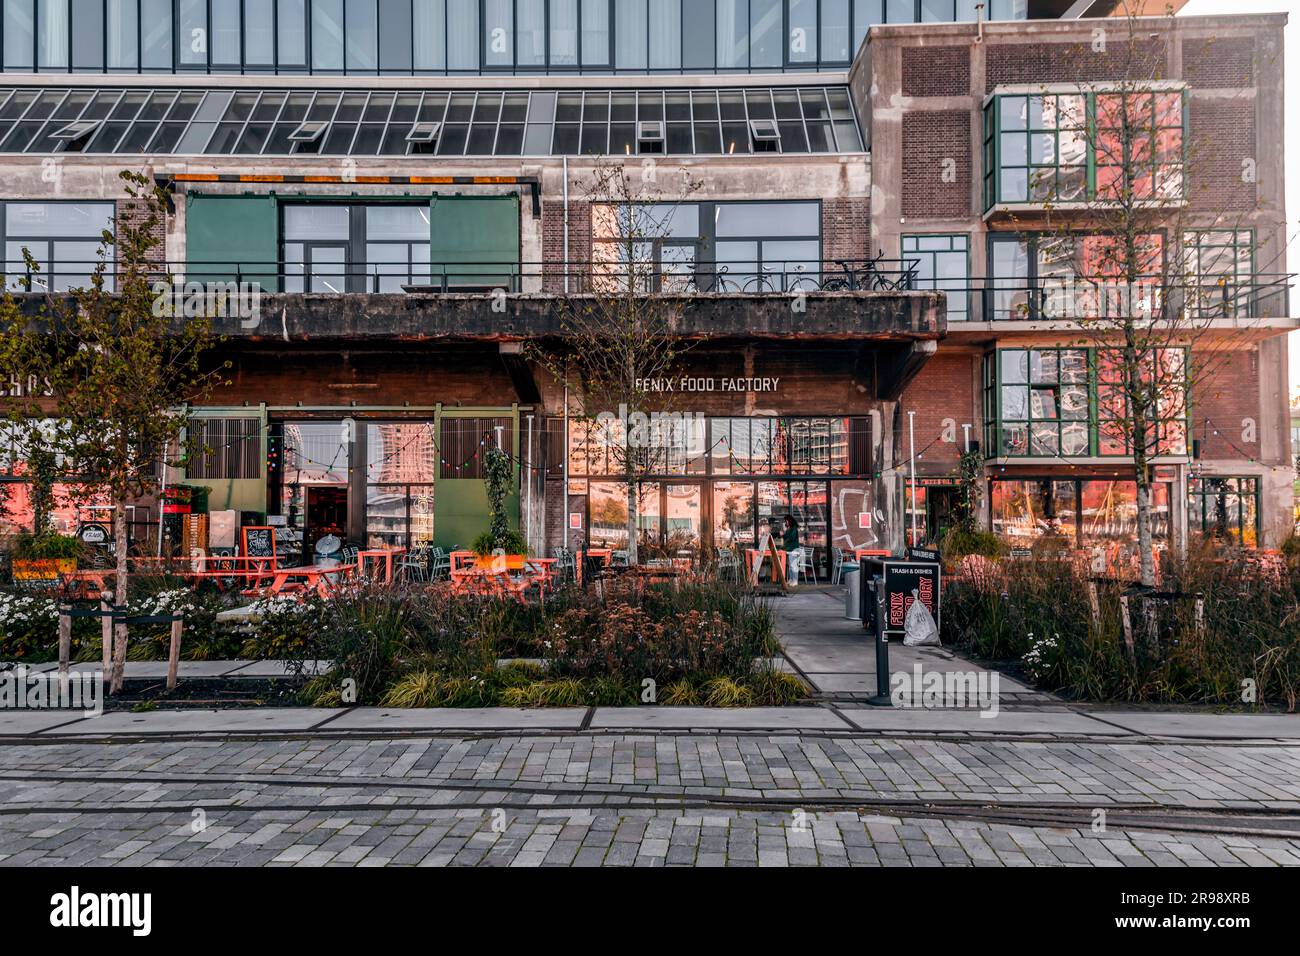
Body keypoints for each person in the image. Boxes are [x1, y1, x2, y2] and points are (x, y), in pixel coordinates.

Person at [782, 515, 801, 587]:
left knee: (793, 565)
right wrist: (783, 535)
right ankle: (791, 579)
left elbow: (791, 538)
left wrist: (784, 535)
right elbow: (786, 538)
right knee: (790, 566)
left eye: (786, 521)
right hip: (790, 549)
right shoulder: (789, 528)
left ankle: (795, 580)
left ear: (789, 521)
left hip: (793, 549)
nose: (785, 522)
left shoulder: (793, 528)